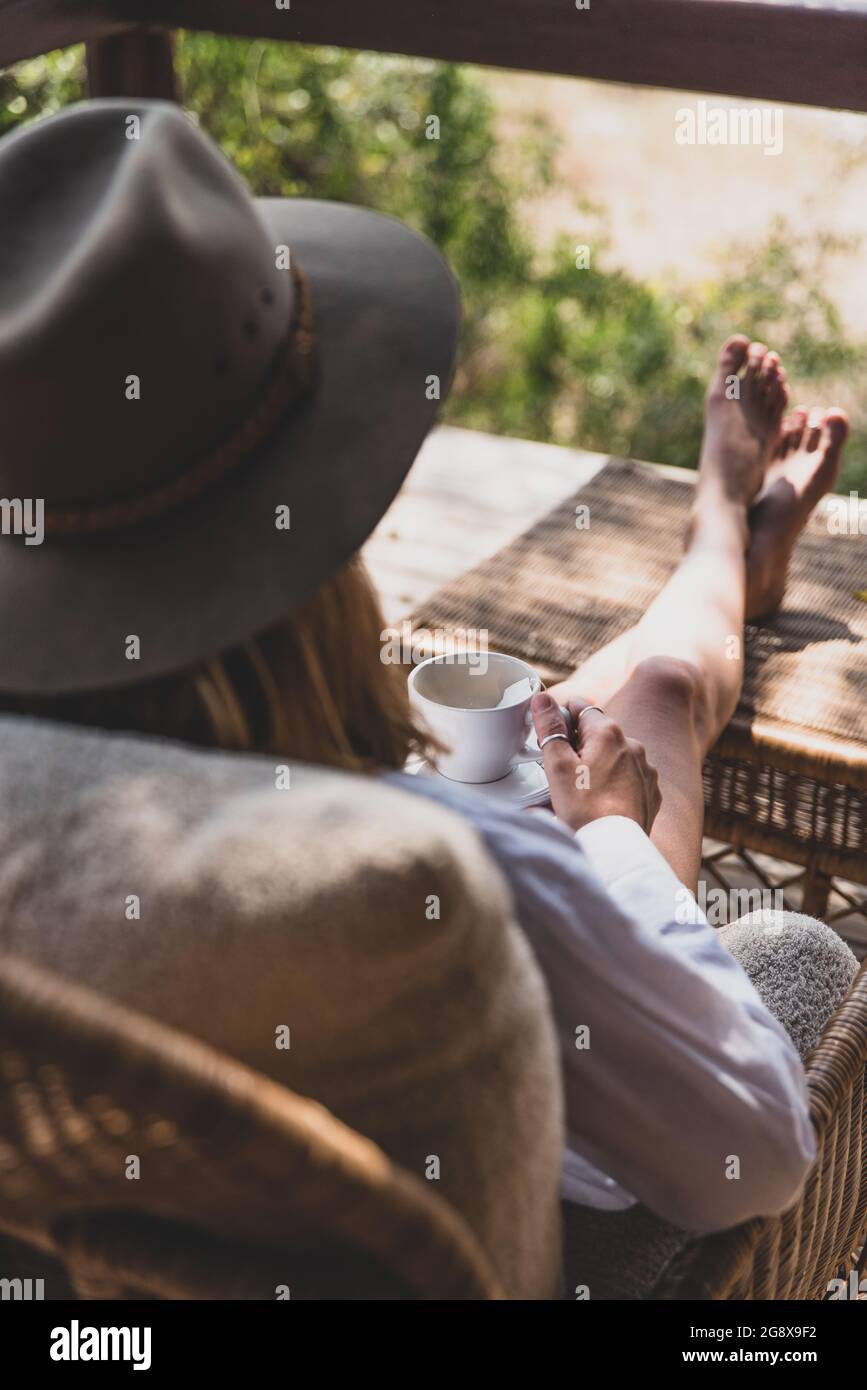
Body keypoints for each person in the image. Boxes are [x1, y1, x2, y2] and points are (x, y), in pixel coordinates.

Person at [0, 99, 852, 1241]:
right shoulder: (424, 882)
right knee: (691, 789)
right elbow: (757, 1152)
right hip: (533, 1231)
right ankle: (719, 536)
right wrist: (607, 839)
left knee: (606, 704)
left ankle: (720, 556)